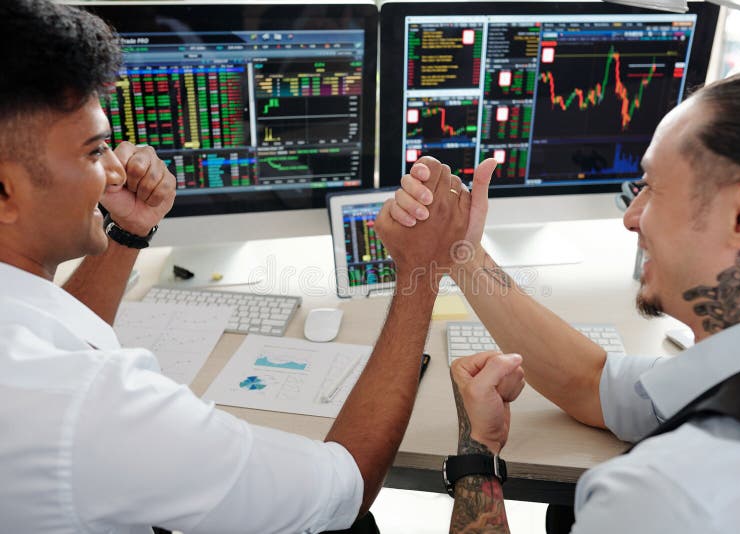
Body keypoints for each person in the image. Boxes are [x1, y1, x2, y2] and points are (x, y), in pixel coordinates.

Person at [0, 1, 469, 532]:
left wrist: (128, 233)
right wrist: (418, 273)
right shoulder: (98, 410)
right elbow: (346, 487)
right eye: (92, 152)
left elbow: (59, 340)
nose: (114, 171)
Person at [388, 69, 740, 532]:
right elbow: (591, 383)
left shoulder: (671, 494)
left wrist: (477, 454)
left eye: (652, 188)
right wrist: (463, 255)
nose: (631, 216)